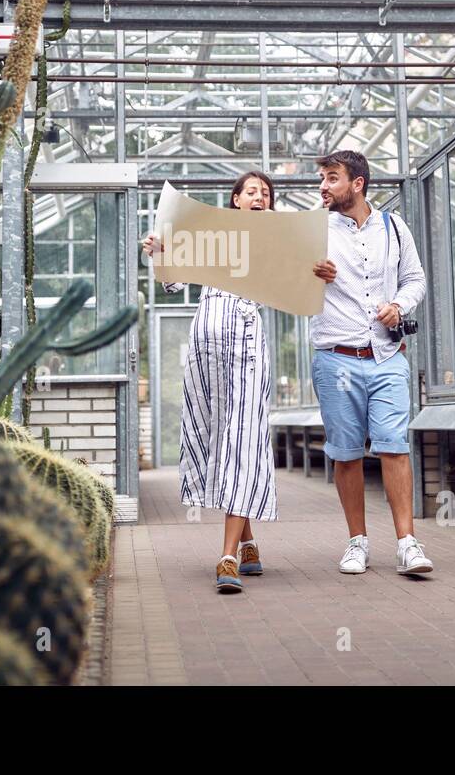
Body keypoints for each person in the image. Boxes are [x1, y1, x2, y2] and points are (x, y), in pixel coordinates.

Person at [143, 172, 277, 594]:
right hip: (206, 345)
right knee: (219, 437)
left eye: (266, 194)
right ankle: (249, 540)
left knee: (243, 438)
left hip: (248, 346)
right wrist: (159, 252)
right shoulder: (214, 236)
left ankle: (227, 556)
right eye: (252, 192)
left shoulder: (276, 242)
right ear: (235, 198)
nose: (259, 197)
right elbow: (174, 281)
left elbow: (294, 286)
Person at [310, 150, 432, 576]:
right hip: (336, 359)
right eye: (322, 179)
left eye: (331, 178)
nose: (323, 187)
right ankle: (357, 542)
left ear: (357, 183)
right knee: (346, 454)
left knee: (394, 446)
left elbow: (415, 278)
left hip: (386, 356)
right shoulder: (312, 229)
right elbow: (281, 281)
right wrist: (307, 272)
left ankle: (407, 543)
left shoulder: (394, 227)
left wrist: (398, 304)